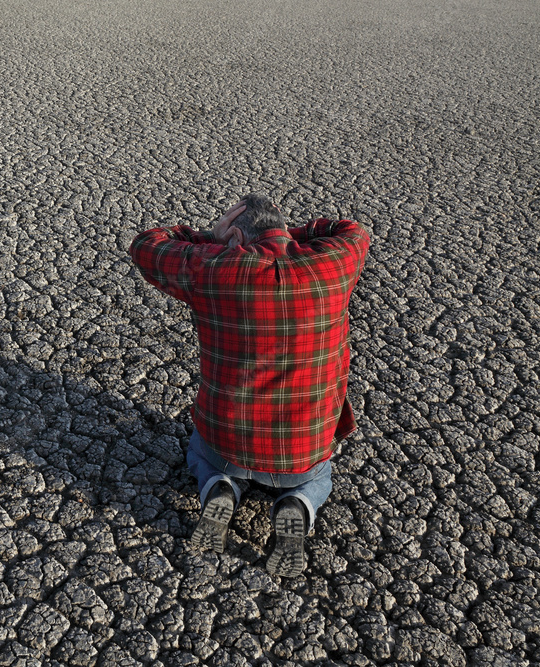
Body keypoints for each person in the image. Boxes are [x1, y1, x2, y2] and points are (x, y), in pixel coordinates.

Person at [129, 193, 370, 577]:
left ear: (237, 237)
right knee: (320, 475)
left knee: (199, 452)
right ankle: (299, 504)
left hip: (226, 441)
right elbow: (351, 230)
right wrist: (288, 234)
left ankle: (218, 488)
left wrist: (211, 236)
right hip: (302, 451)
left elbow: (146, 244)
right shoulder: (333, 263)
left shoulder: (213, 267)